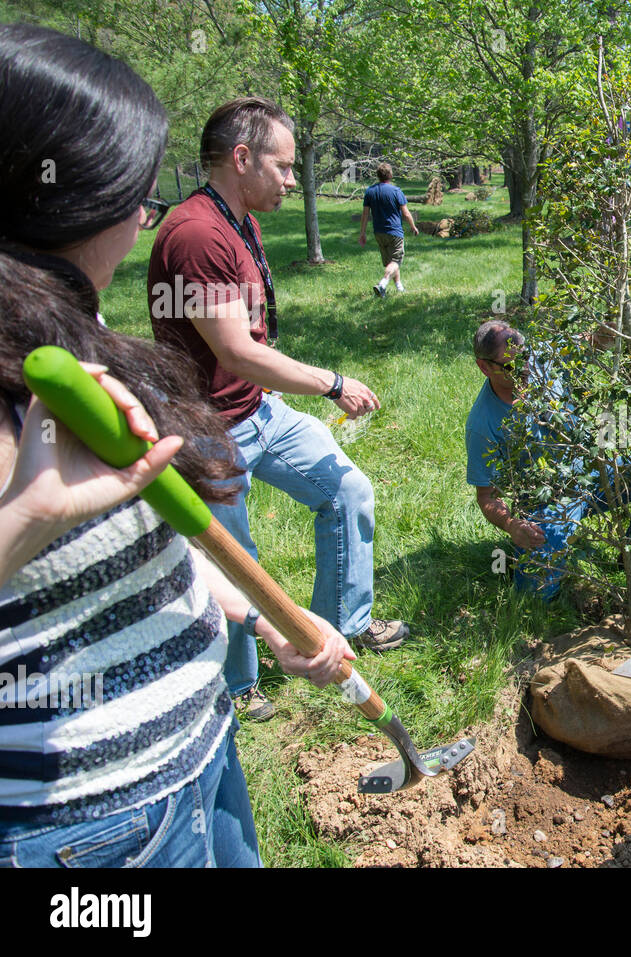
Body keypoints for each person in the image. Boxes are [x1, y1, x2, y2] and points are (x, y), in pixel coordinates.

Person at [0, 23, 352, 867]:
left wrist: (252, 614)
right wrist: (26, 520)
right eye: (131, 192)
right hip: (92, 828)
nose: (142, 214)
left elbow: (132, 555)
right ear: (62, 199)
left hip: (194, 753)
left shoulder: (60, 344)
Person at [149, 97, 407, 723]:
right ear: (242, 158)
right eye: (284, 166)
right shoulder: (195, 235)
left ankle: (338, 632)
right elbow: (237, 352)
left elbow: (252, 348)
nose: (293, 180)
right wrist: (331, 383)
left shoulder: (241, 220)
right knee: (235, 562)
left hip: (258, 410)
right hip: (206, 428)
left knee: (348, 490)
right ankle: (239, 685)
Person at [465, 320, 631, 600]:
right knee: (535, 597)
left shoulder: (545, 355)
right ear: (485, 367)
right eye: (511, 365)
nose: (525, 368)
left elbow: (597, 339)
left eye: (526, 357)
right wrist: (511, 525)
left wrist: (615, 318)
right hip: (551, 500)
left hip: (597, 472)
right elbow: (486, 496)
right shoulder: (483, 423)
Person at [359, 162, 418, 297]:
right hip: (394, 232)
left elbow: (365, 214)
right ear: (390, 175)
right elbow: (406, 213)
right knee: (396, 261)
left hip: (378, 232)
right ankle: (382, 284)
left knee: (390, 263)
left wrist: (362, 233)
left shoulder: (370, 191)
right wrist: (413, 226)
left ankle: (399, 287)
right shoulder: (396, 191)